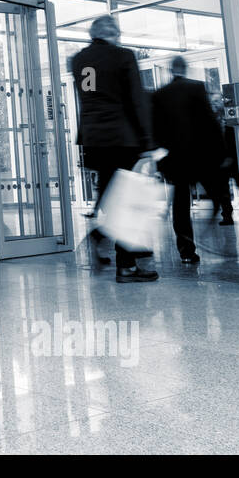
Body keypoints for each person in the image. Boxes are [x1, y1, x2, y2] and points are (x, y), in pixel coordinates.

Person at [71, 15, 159, 283]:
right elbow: (136, 99)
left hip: (94, 139)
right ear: (114, 34)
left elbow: (88, 97)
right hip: (123, 138)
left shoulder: (78, 60)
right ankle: (126, 265)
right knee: (128, 200)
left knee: (109, 193)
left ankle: (106, 241)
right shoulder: (123, 56)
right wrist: (147, 141)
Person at [151, 56, 224, 264]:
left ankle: (186, 250)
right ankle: (213, 227)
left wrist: (160, 161)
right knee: (215, 193)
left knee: (180, 205)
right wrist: (221, 151)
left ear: (170, 70)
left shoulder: (159, 94)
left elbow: (156, 129)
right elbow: (209, 121)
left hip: (175, 159)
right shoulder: (197, 88)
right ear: (185, 68)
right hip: (200, 155)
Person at [211, 92, 239, 225]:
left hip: (234, 158)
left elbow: (236, 137)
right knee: (222, 190)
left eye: (217, 101)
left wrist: (231, 156)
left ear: (223, 102)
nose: (214, 104)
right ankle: (227, 216)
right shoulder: (212, 119)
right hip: (219, 160)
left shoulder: (231, 116)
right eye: (213, 102)